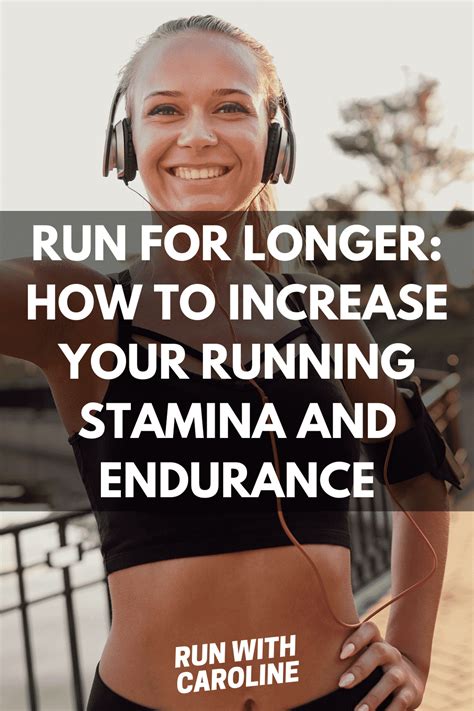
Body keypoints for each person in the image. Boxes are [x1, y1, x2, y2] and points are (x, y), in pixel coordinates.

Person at [0, 15, 459, 711]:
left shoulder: (326, 316)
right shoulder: (77, 309)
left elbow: (421, 482)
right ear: (123, 145)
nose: (197, 133)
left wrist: (416, 654)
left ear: (277, 144)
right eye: (164, 109)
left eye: (230, 107)